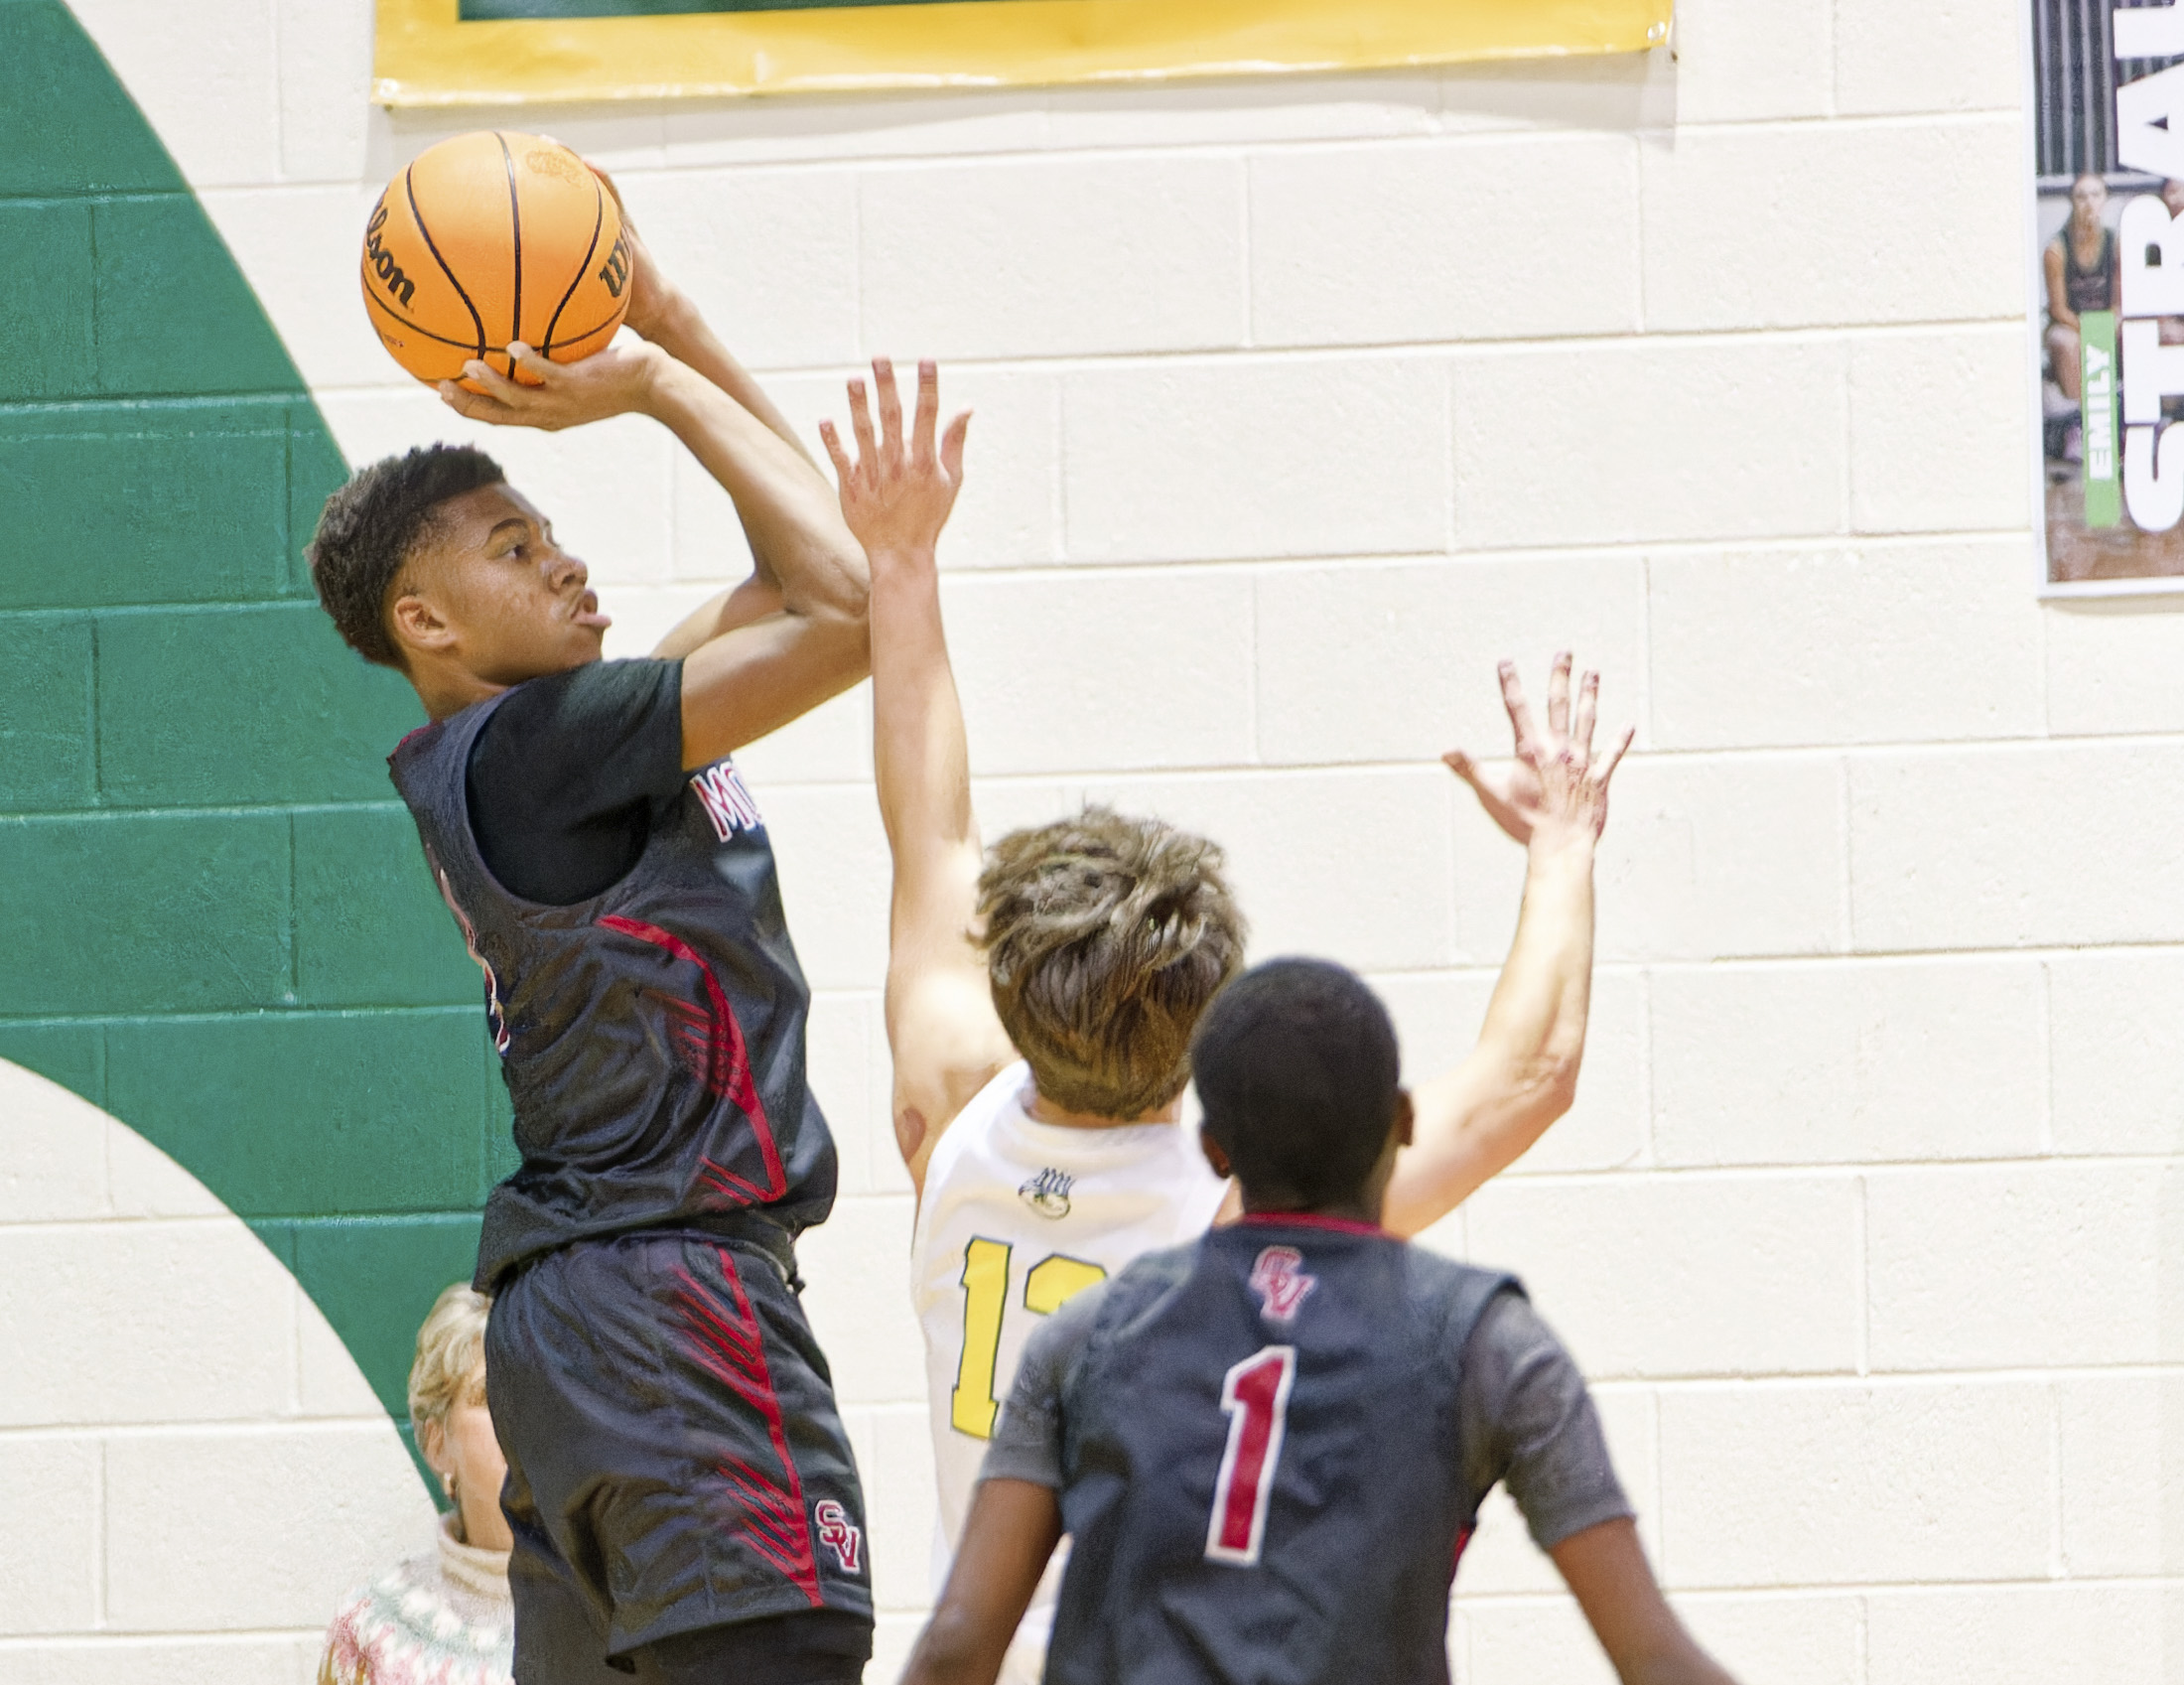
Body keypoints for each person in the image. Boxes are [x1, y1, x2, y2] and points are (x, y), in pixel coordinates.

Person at [820, 361, 1626, 1683]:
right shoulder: (1235, 1220)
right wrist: (1560, 845)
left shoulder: (946, 1106)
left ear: (1009, 985)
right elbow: (1523, 1079)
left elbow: (931, 827)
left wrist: (899, 559)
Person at [306, 196, 878, 1685]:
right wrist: (652, 381)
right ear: (424, 620)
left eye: (554, 532)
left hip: (577, 1314)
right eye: (515, 544)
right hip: (669, 1299)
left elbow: (823, 553)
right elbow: (857, 604)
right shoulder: (541, 746)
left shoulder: (550, 747)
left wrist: (668, 320)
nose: (564, 563)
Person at [899, 959, 1741, 1685]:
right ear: (1402, 1123)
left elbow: (958, 1646)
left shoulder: (1087, 1334)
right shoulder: (1488, 1343)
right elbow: (1655, 1661)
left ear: (1214, 1151)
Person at [322, 1284, 515, 1685]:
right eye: (488, 1394)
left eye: (534, 1394)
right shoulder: (371, 1631)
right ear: (437, 1444)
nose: (518, 1417)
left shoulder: (620, 1613)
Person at [2044, 172, 2116, 404]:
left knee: (2132, 330)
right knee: (2065, 342)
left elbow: (2120, 301)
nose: (2089, 203)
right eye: (2081, 196)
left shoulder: (2116, 243)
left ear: (2105, 199)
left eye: (2096, 195)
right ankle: (2077, 416)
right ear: (2072, 202)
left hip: (2107, 321)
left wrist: (2107, 326)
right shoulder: (2057, 249)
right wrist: (2087, 330)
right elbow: (2058, 309)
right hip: (2071, 324)